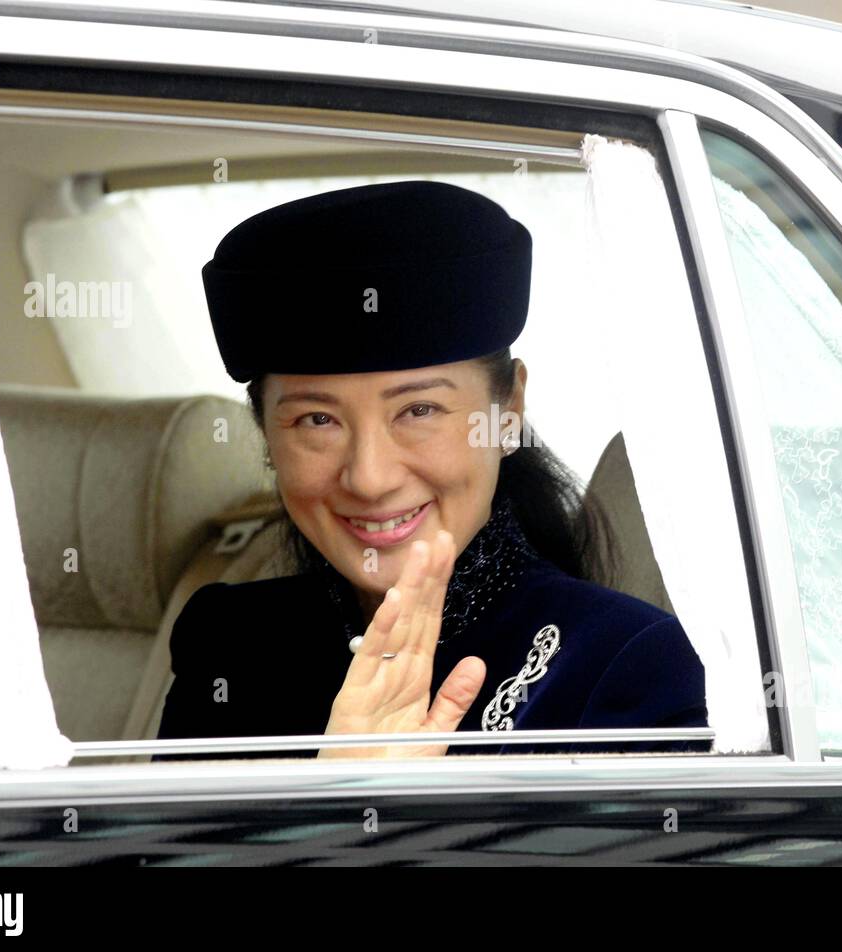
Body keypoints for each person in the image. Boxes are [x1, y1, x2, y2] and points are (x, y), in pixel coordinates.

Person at [154, 180, 709, 760]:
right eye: (317, 420)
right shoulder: (227, 646)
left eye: (419, 410)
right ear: (267, 434)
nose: (369, 478)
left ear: (509, 410)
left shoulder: (633, 669)